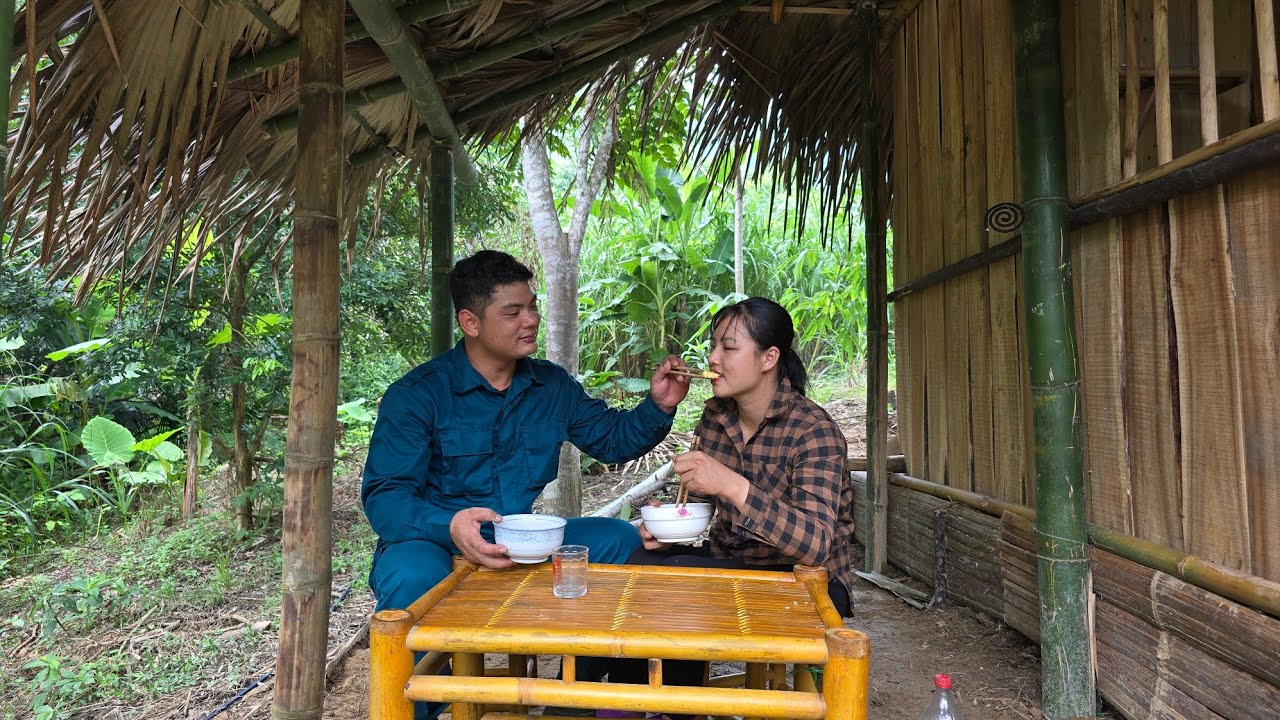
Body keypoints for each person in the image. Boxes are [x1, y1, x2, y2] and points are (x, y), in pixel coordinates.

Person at [361, 250, 691, 717]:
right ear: (471, 322)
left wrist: (657, 406)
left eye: (532, 307)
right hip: (431, 540)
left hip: (519, 540)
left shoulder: (551, 386)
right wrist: (450, 525)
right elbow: (385, 498)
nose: (530, 320)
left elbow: (612, 440)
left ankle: (577, 696)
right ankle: (410, 710)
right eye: (513, 312)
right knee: (413, 578)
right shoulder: (417, 395)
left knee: (618, 540)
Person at [610, 296, 855, 693]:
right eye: (712, 346)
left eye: (728, 348)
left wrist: (731, 484)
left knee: (678, 583)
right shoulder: (716, 417)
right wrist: (670, 527)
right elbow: (703, 506)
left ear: (768, 358)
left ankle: (662, 706)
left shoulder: (813, 431)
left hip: (806, 581)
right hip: (733, 565)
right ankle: (618, 700)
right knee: (637, 565)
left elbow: (816, 544)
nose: (712, 358)